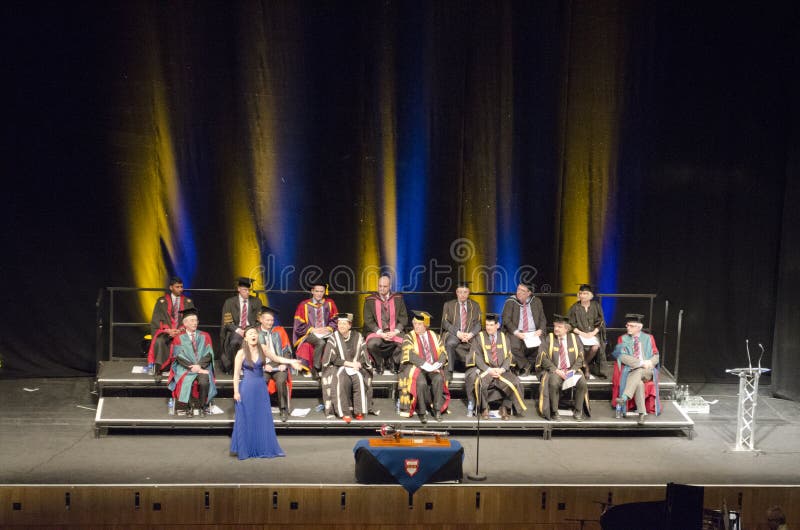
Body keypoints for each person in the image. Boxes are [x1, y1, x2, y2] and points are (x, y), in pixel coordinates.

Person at [230, 326, 303, 459]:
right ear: (245, 338)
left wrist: (291, 361)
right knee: (248, 417)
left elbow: (277, 358)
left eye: (255, 333)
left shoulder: (263, 348)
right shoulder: (241, 353)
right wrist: (236, 392)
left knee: (261, 417)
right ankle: (247, 448)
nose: (253, 335)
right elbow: (235, 375)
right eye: (250, 334)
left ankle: (261, 446)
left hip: (260, 387)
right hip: (246, 388)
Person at [320, 312, 376, 423]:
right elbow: (331, 358)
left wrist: (359, 363)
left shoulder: (357, 337)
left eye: (344, 324)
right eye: (339, 323)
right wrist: (348, 364)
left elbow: (364, 354)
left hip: (355, 367)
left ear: (349, 325)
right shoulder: (333, 338)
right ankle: (344, 412)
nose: (341, 326)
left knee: (359, 379)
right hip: (338, 366)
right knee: (341, 379)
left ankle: (359, 411)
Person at [470, 313, 526, 420]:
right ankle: (485, 408)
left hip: (501, 370)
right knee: (480, 382)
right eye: (487, 325)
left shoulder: (504, 338)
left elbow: (509, 356)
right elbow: (476, 356)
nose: (488, 327)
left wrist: (502, 369)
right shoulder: (479, 337)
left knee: (515, 382)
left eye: (491, 325)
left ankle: (504, 407)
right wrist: (488, 369)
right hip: (486, 370)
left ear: (497, 325)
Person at [398, 311, 450, 424]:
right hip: (416, 367)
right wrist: (427, 366)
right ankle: (422, 412)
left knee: (439, 379)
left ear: (426, 325)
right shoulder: (408, 336)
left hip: (433, 366)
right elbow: (410, 354)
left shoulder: (435, 336)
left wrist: (437, 364)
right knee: (421, 383)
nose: (416, 326)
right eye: (415, 323)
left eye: (419, 324)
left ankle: (437, 409)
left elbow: (443, 352)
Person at [535, 314, 590, 421]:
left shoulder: (574, 338)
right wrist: (556, 370)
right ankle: (554, 411)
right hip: (555, 370)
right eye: (555, 326)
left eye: (559, 327)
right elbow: (543, 357)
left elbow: (581, 357)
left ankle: (578, 410)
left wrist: (573, 370)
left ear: (566, 329)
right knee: (553, 383)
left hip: (571, 369)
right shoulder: (549, 338)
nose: (556, 329)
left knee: (582, 382)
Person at [611, 313, 661, 424]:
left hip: (647, 371)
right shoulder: (622, 339)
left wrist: (650, 362)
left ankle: (624, 397)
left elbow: (656, 356)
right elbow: (621, 356)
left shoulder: (649, 338)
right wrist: (641, 363)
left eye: (631, 326)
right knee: (639, 383)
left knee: (638, 371)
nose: (628, 328)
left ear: (639, 327)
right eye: (627, 325)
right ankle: (642, 414)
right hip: (631, 370)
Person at [168, 307, 216, 416]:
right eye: (192, 320)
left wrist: (199, 366)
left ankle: (202, 406)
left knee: (204, 382)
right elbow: (178, 356)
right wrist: (192, 367)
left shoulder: (205, 335)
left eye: (196, 320)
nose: (195, 323)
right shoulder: (179, 338)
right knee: (186, 381)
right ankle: (190, 407)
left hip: (202, 367)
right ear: (185, 323)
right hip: (186, 367)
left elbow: (209, 354)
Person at [146, 276, 194, 383]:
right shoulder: (161, 302)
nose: (180, 289)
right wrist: (168, 331)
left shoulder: (188, 302)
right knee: (159, 341)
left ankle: (183, 369)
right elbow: (156, 320)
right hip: (166, 332)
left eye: (181, 287)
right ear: (171, 287)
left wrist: (180, 330)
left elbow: (192, 320)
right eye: (177, 287)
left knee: (185, 341)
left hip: (182, 332)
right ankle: (158, 370)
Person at [363, 274, 409, 374]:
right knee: (371, 344)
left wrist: (395, 332)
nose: (382, 289)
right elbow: (368, 320)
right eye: (380, 286)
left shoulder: (398, 299)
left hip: (394, 331)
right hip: (377, 332)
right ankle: (380, 362)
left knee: (406, 342)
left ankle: (393, 361)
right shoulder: (370, 300)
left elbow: (403, 318)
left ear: (389, 286)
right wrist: (380, 333)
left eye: (384, 286)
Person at [292, 281, 338, 377]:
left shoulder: (329, 303)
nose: (319, 294)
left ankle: (331, 369)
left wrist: (328, 328)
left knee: (334, 342)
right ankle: (316, 368)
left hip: (326, 332)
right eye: (317, 291)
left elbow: (335, 320)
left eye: (321, 291)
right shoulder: (304, 305)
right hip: (309, 334)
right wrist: (312, 330)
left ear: (325, 292)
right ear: (312, 291)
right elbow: (298, 325)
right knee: (320, 343)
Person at [501, 282, 547, 375]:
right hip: (517, 332)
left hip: (533, 332)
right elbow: (506, 320)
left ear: (529, 293)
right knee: (512, 345)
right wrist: (517, 332)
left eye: (522, 291)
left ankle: (533, 367)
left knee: (542, 344)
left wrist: (540, 330)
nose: (519, 292)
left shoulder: (536, 301)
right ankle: (526, 366)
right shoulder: (510, 301)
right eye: (518, 289)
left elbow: (542, 319)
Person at [440, 280, 482, 381]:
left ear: (469, 292)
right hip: (455, 333)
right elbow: (445, 323)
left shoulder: (475, 305)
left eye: (465, 292)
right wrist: (458, 333)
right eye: (460, 292)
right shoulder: (449, 305)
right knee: (450, 343)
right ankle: (450, 370)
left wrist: (470, 334)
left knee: (477, 344)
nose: (462, 295)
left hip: (469, 334)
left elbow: (478, 324)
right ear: (456, 292)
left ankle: (472, 369)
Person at [220, 277, 263, 374]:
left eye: (248, 290)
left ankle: (254, 366)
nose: (247, 292)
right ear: (238, 289)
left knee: (260, 339)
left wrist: (251, 330)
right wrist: (237, 330)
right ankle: (236, 367)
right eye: (244, 290)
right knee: (235, 342)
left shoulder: (256, 301)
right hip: (236, 328)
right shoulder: (229, 302)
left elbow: (259, 320)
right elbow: (227, 322)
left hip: (251, 328)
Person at [257, 307, 293, 422]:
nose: (270, 322)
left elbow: (286, 350)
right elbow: (253, 353)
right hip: (263, 366)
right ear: (261, 320)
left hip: (279, 365)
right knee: (261, 381)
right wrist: (263, 365)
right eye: (267, 320)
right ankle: (260, 409)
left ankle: (283, 409)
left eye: (272, 320)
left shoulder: (279, 331)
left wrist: (284, 363)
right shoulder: (255, 333)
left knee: (281, 381)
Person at [568, 283, 607, 379]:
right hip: (579, 334)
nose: (582, 296)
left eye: (585, 293)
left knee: (595, 347)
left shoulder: (596, 306)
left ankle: (584, 364)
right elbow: (571, 325)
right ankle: (587, 368)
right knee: (579, 346)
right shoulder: (575, 307)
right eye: (581, 293)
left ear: (590, 295)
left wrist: (592, 333)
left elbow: (601, 322)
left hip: (593, 333)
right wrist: (582, 333)